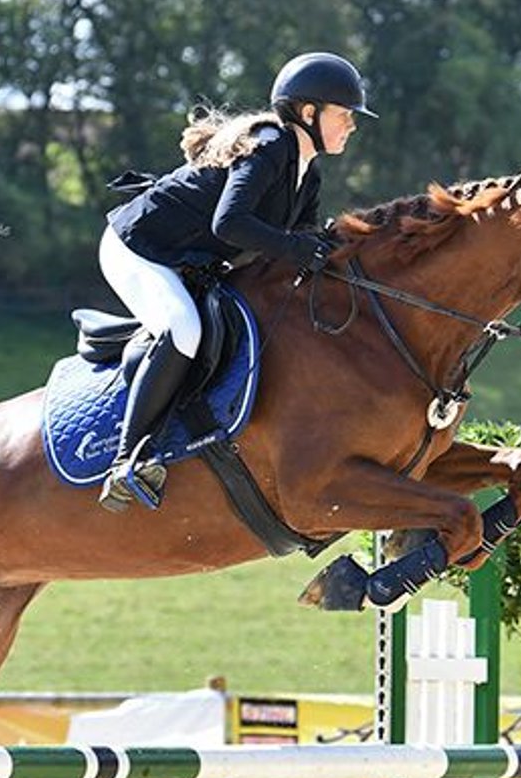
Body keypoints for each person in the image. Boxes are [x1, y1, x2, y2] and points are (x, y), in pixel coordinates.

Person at [96, 51, 374, 511]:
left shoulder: (307, 173)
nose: (352, 125)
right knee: (184, 329)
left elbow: (302, 241)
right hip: (138, 247)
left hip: (187, 261)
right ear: (309, 113)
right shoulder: (270, 146)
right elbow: (230, 223)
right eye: (344, 114)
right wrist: (298, 248)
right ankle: (128, 462)